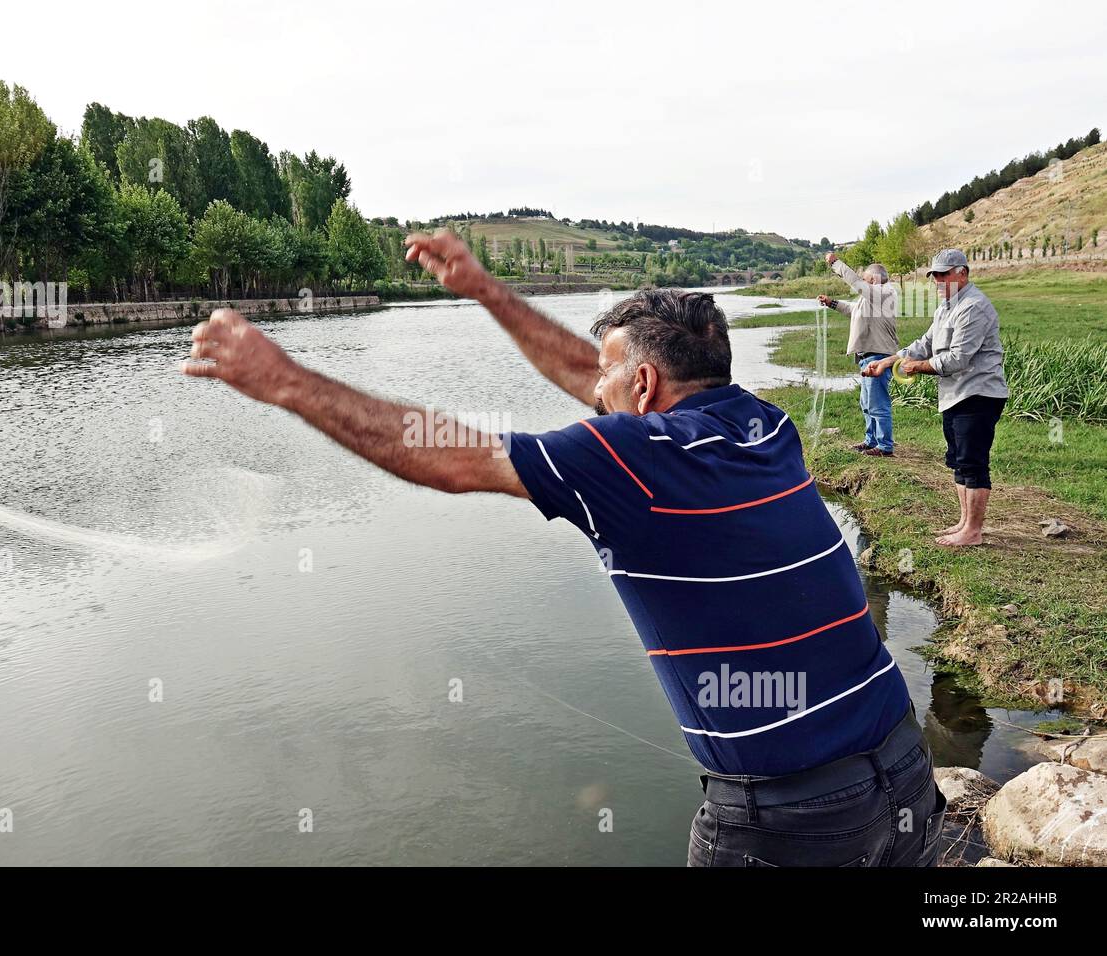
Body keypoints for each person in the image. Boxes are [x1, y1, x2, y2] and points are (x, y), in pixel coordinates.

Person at [182, 230, 946, 867]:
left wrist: (283, 380)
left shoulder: (628, 458)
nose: (594, 388)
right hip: (902, 769)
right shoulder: (763, 426)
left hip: (790, 824)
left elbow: (446, 457)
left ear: (644, 385)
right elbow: (598, 376)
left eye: (611, 376)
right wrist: (487, 292)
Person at [864, 249, 1008, 547]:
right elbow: (924, 344)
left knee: (973, 462)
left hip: (978, 394)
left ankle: (973, 531)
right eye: (935, 276)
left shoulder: (973, 307)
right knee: (958, 461)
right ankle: (964, 522)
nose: (938, 281)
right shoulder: (945, 307)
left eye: (944, 274)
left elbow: (957, 359)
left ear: (962, 273)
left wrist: (916, 367)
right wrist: (887, 361)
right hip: (955, 395)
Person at [818, 253, 899, 457]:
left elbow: (854, 282)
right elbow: (853, 309)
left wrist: (836, 263)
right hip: (867, 357)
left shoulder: (884, 293)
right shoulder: (872, 298)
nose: (862, 281)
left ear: (873, 280)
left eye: (865, 279)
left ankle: (884, 446)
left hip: (878, 356)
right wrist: (832, 303)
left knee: (877, 403)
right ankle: (871, 440)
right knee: (866, 402)